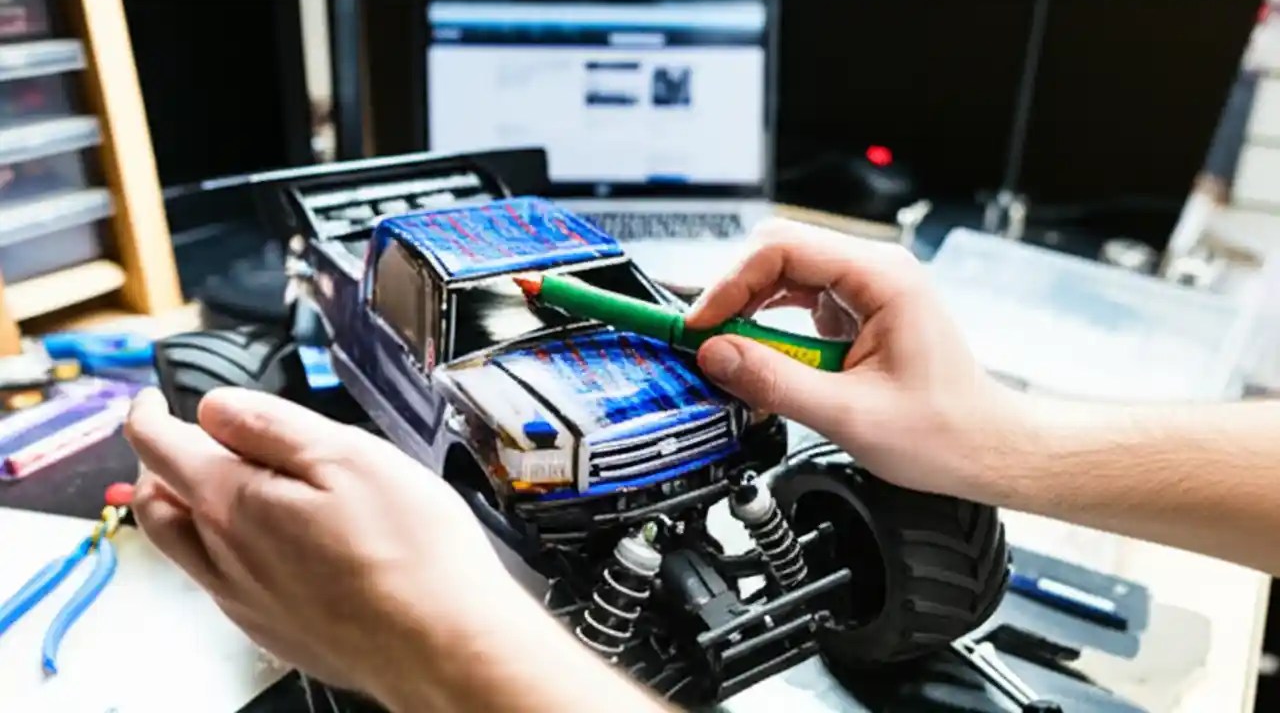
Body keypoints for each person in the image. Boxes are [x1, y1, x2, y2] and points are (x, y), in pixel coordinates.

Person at [124, 218, 1280, 713]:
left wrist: (437, 653)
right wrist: (1008, 447)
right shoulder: (404, 320)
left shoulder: (639, 317)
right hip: (511, 423)